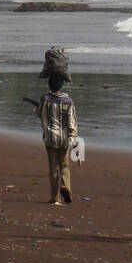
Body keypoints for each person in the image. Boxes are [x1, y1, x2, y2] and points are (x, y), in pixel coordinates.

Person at [36, 73, 78, 206]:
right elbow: (71, 121)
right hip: (65, 138)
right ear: (61, 86)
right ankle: (66, 187)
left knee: (53, 167)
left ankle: (55, 198)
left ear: (50, 85)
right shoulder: (68, 100)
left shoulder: (45, 98)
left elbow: (39, 113)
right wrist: (73, 137)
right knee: (64, 166)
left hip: (50, 138)